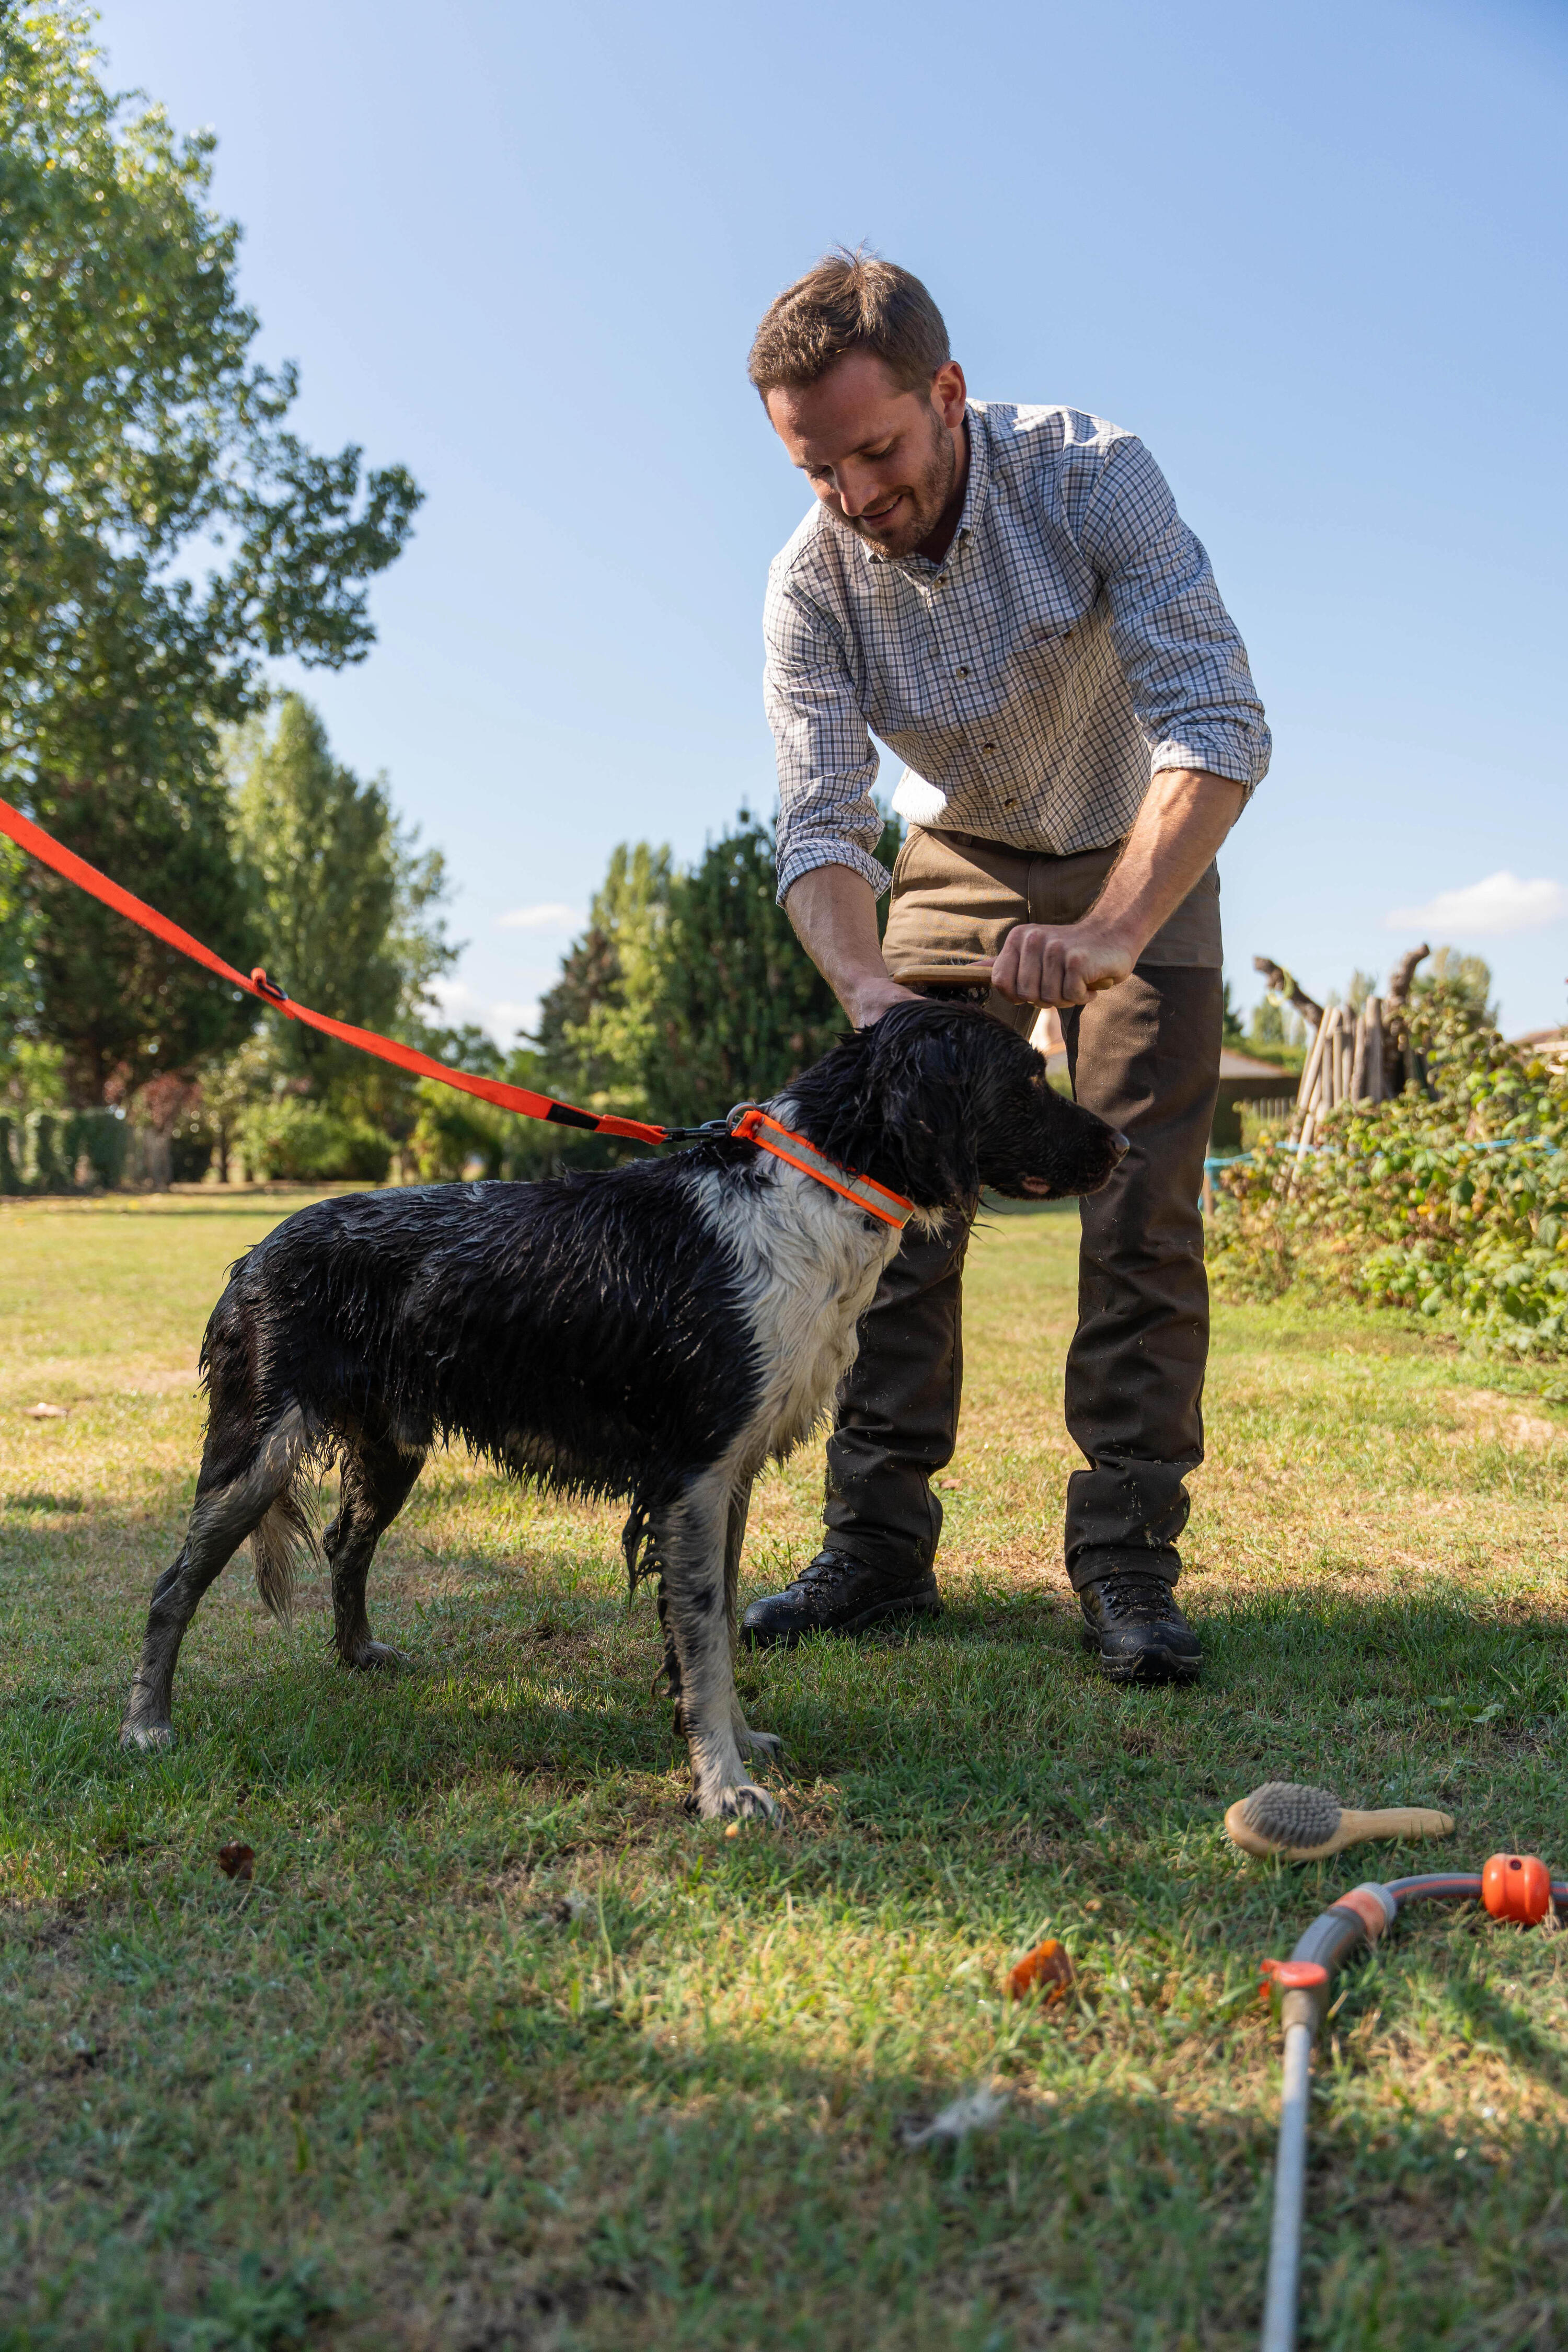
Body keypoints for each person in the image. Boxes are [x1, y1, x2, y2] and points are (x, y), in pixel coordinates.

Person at [739, 250, 1270, 1684]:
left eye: (879, 451)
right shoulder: (812, 585)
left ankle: (1126, 1559)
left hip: (1138, 846)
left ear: (949, 394)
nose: (857, 497)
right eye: (819, 470)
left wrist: (1111, 928)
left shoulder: (1093, 481)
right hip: (958, 854)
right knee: (893, 1199)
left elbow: (1218, 724)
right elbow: (820, 817)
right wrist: (867, 992)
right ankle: (877, 1544)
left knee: (1141, 1200)